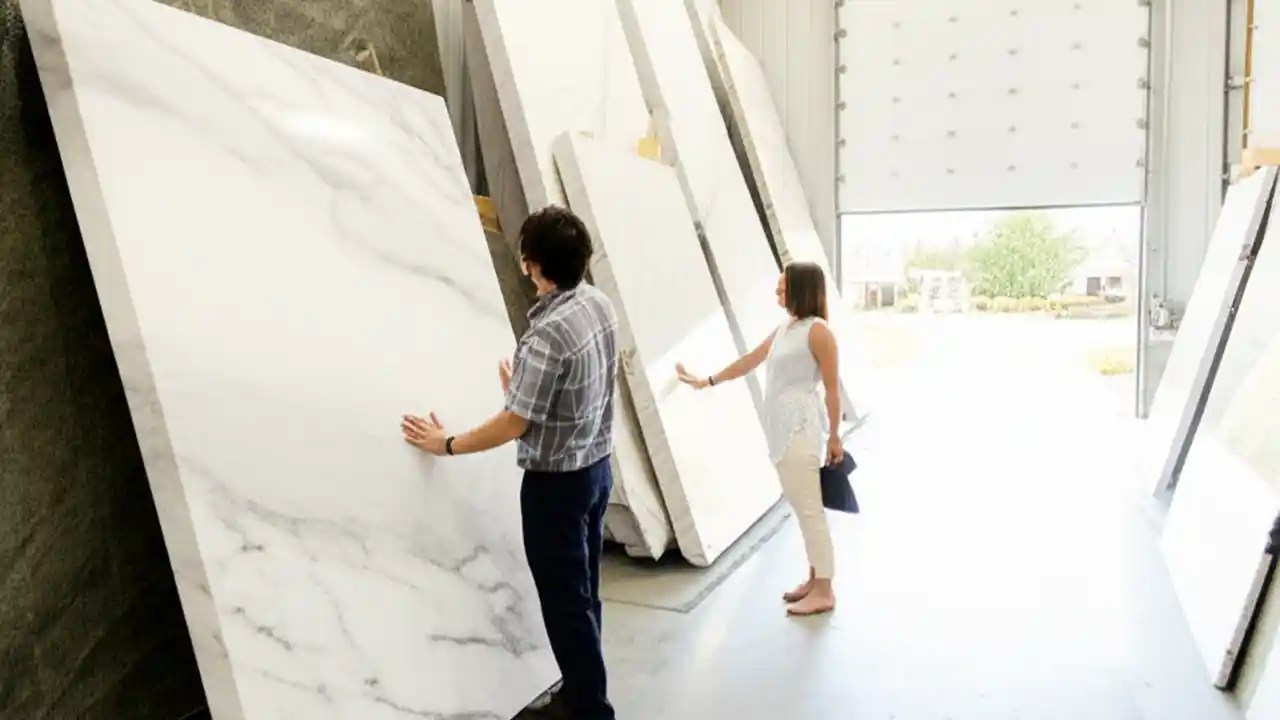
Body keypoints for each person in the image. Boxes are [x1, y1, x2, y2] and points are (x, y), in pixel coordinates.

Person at [401, 206, 618, 719]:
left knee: (566, 604)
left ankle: (591, 710)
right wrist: (527, 390)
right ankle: (582, 692)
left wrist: (446, 443)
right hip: (596, 469)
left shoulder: (547, 334)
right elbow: (586, 385)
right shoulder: (598, 303)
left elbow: (513, 424)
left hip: (557, 489)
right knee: (585, 594)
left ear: (533, 266)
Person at [677, 261, 843, 616]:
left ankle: (825, 589)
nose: (776, 292)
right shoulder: (787, 327)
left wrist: (835, 437)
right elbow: (751, 360)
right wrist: (707, 380)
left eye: (783, 287)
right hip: (781, 427)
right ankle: (815, 578)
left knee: (810, 508)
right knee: (801, 506)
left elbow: (831, 388)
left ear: (801, 288)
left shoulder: (818, 332)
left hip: (801, 428)